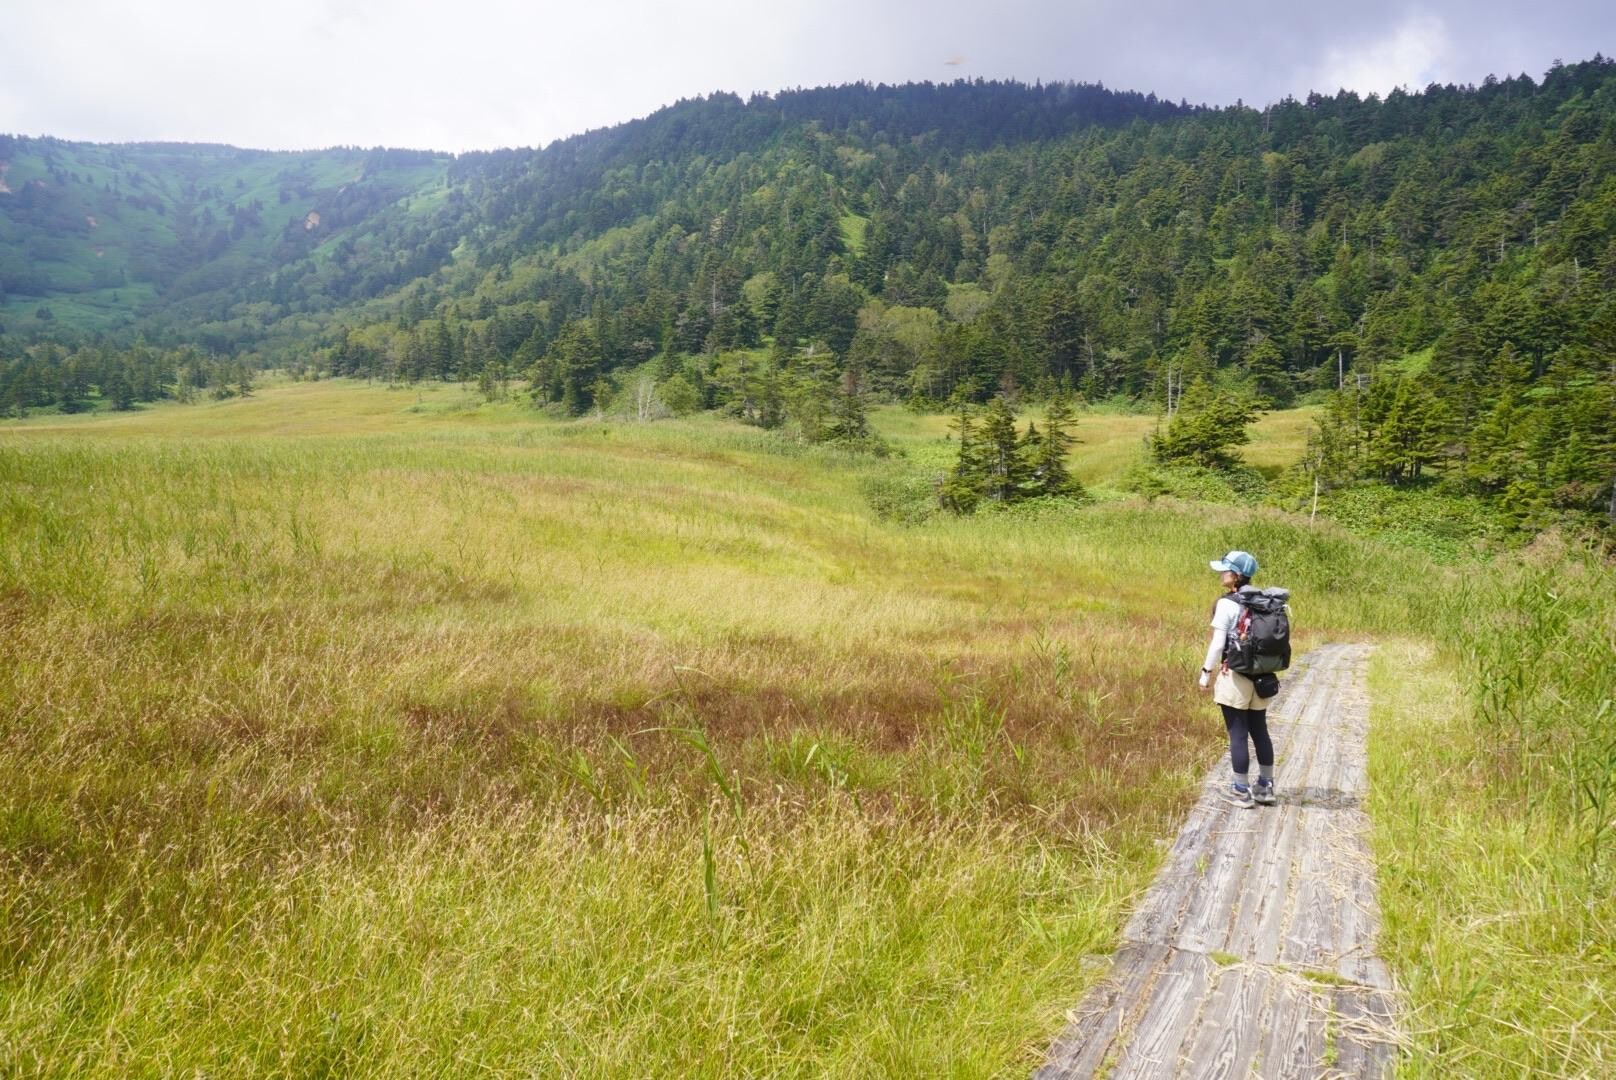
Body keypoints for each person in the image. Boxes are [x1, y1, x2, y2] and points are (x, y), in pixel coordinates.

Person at [1197, 550, 1276, 808]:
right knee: (1260, 731)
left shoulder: (1228, 603)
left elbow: (1218, 644)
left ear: (1237, 575)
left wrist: (1206, 673)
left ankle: (1241, 790)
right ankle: (1265, 787)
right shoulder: (1264, 600)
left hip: (1235, 675)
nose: (1221, 573)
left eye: (1225, 569)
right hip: (1262, 676)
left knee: (1238, 733)